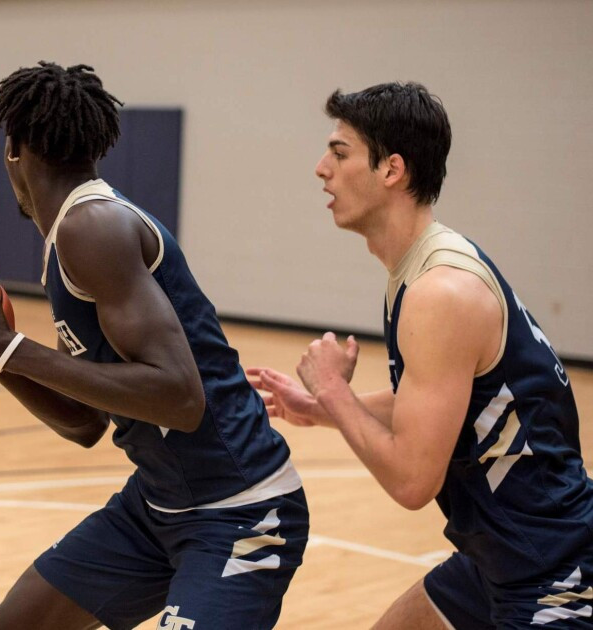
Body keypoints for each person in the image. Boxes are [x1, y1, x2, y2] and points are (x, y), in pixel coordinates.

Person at [0, 62, 308, 629]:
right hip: (156, 507)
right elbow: (87, 424)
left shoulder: (91, 228)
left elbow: (179, 399)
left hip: (238, 510)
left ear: (13, 150)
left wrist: (11, 349)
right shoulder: (72, 235)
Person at [250, 82, 593, 628]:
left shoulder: (440, 292)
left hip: (557, 568)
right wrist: (323, 408)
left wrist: (335, 391)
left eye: (339, 153)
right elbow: (443, 400)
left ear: (392, 170)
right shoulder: (418, 269)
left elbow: (412, 482)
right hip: (497, 558)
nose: (321, 168)